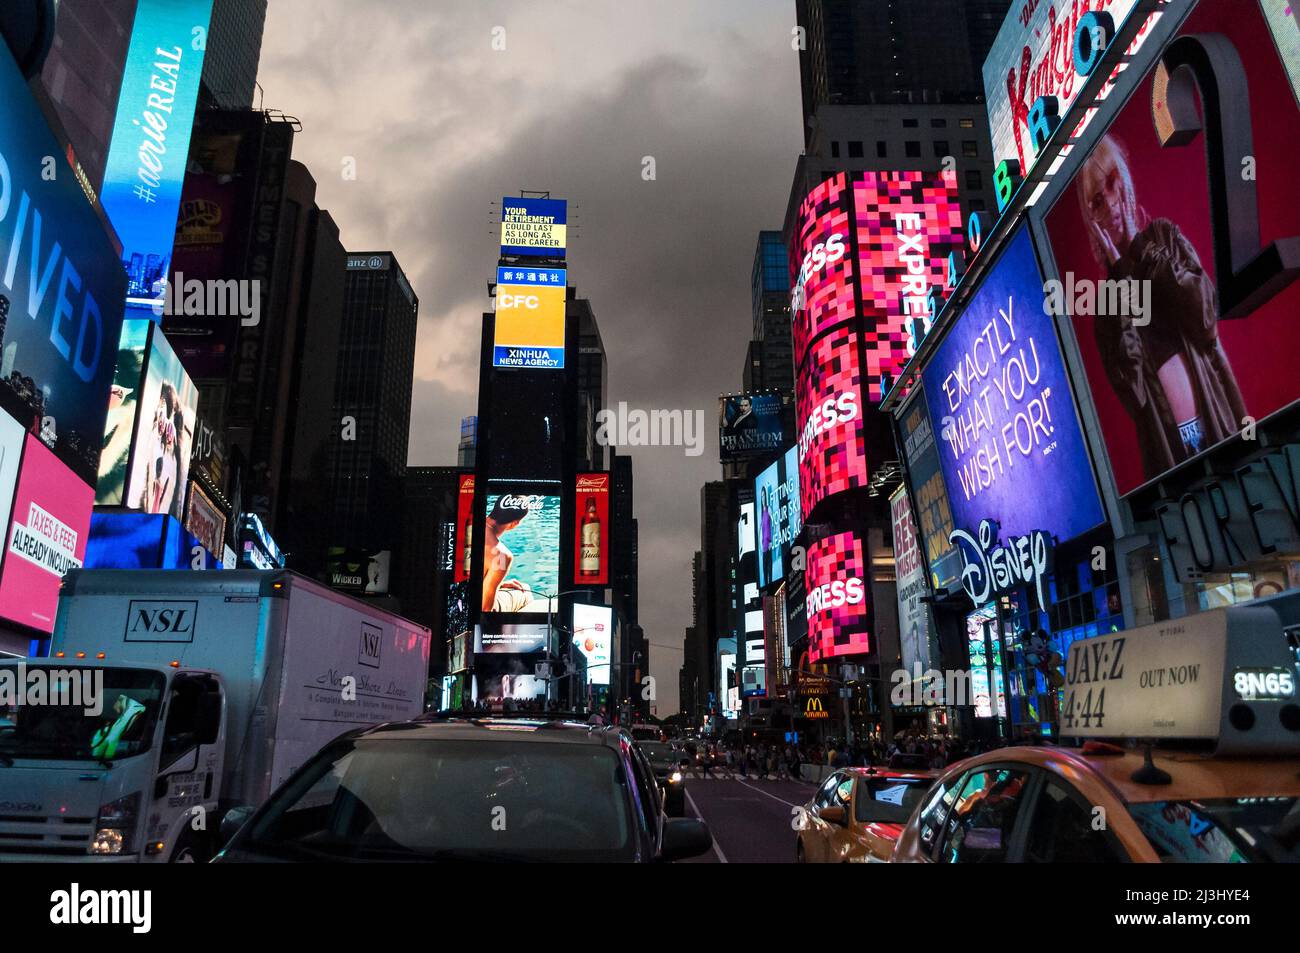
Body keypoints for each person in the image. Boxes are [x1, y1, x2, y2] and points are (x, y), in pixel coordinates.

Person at [1075, 134, 1246, 481]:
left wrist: (1145, 252)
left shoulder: (1164, 238)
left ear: (1123, 178)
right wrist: (1122, 276)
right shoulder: (1105, 305)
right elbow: (1135, 393)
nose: (1109, 203)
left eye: (1111, 182)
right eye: (1096, 199)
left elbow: (1205, 317)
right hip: (1173, 461)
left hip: (1223, 428)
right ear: (1089, 215)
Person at [480, 496, 549, 612]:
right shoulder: (501, 555)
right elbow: (485, 608)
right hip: (472, 608)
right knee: (525, 591)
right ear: (514, 524)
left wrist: (499, 585)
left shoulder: (468, 525)